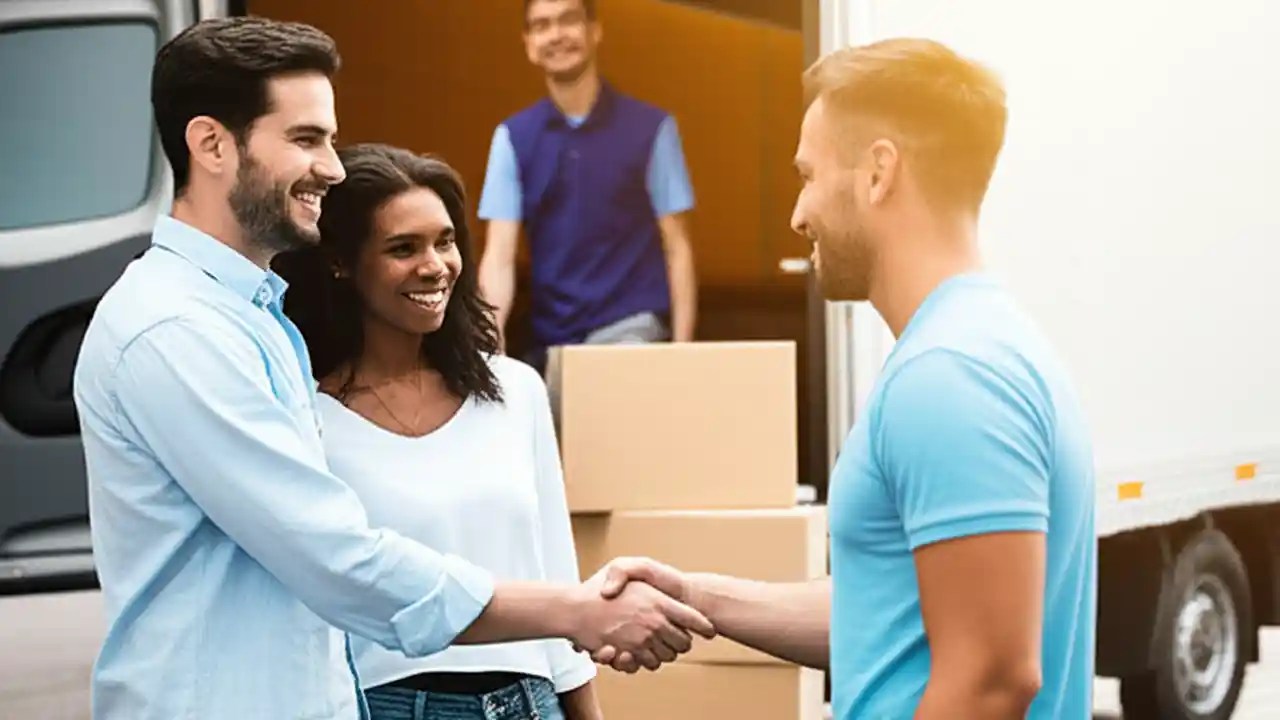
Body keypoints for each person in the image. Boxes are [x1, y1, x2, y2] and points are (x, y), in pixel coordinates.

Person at [72, 17, 711, 720]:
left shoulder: (252, 317)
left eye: (330, 140)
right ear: (211, 144)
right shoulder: (175, 330)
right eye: (306, 139)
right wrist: (575, 611)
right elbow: (335, 557)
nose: (333, 168)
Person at [592, 38, 1098, 719]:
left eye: (808, 175)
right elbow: (889, 619)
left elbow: (990, 679)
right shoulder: (973, 344)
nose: (798, 214)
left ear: (878, 173)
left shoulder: (950, 377)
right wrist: (698, 597)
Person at [275, 143, 601, 720]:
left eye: (445, 242)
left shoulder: (515, 391)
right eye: (403, 248)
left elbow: (556, 571)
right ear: (342, 262)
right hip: (385, 704)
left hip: (531, 701)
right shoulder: (303, 415)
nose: (434, 266)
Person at [477, 0, 698, 373]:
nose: (556, 34)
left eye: (568, 20)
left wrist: (682, 354)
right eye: (542, 25)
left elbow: (678, 247)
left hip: (631, 329)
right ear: (528, 44)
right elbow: (498, 256)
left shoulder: (652, 129)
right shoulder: (512, 138)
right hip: (551, 341)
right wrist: (491, 354)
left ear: (595, 31)